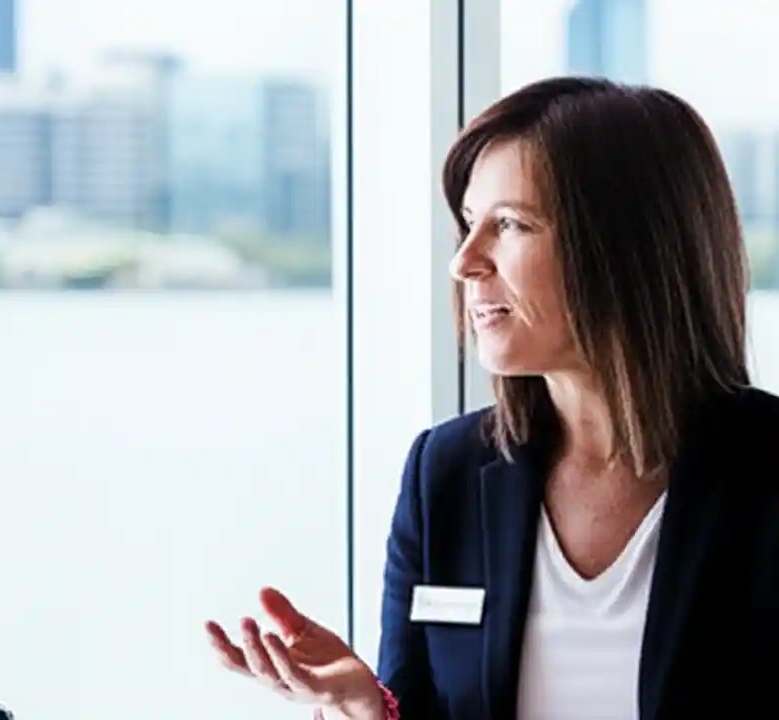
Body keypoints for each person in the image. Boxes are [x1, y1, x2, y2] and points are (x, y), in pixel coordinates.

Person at [205, 76, 779, 719]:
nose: (465, 261)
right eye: (469, 224)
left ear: (627, 246)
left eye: (509, 224)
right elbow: (417, 706)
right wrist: (365, 706)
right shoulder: (444, 472)